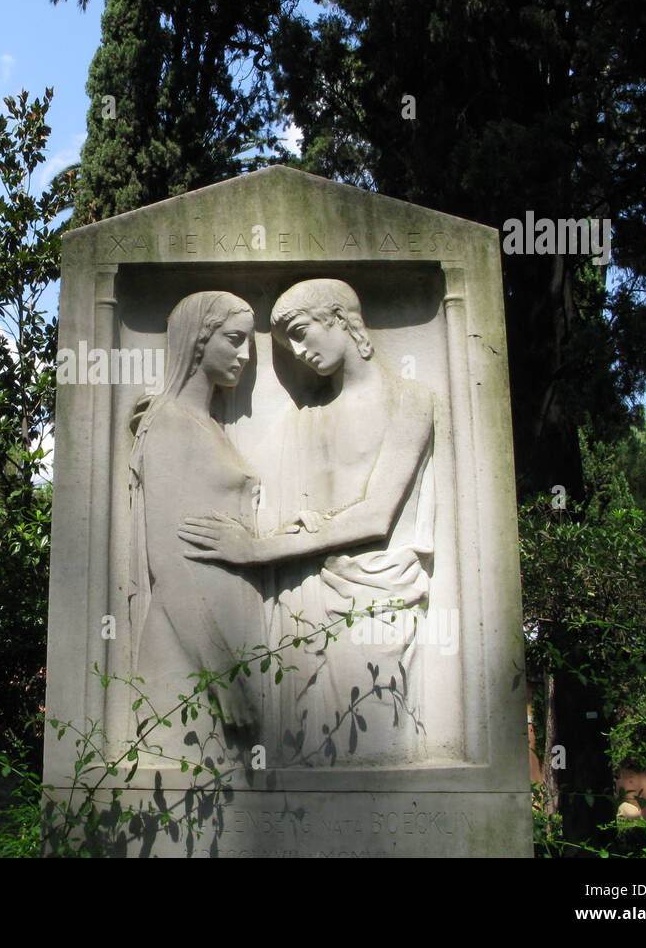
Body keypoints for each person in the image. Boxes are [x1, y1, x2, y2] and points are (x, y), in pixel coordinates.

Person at [178, 279, 434, 764]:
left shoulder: (410, 401)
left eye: (301, 332)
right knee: (311, 751)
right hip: (309, 605)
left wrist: (258, 550)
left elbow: (377, 517)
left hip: (379, 599)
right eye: (287, 343)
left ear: (340, 318)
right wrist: (169, 420)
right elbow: (237, 478)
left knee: (371, 752)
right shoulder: (304, 422)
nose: (297, 352)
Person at [128, 291, 265, 762]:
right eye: (234, 339)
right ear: (198, 340)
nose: (245, 355)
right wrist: (224, 679)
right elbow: (165, 560)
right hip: (189, 656)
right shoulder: (169, 424)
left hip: (227, 635)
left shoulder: (207, 426)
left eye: (249, 343)